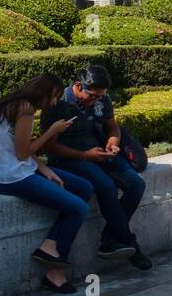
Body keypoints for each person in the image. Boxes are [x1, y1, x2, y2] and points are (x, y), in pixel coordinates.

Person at [0, 75, 94, 294]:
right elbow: (23, 152)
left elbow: (17, 148)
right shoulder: (25, 109)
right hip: (11, 178)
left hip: (18, 169)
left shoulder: (13, 104)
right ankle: (54, 270)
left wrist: (44, 169)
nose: (53, 103)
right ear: (43, 94)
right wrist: (52, 132)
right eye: (53, 97)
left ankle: (51, 244)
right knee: (80, 208)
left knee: (84, 187)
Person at [41, 65, 152, 270]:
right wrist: (84, 155)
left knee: (136, 184)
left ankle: (112, 238)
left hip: (98, 153)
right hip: (70, 158)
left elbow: (112, 126)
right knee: (105, 186)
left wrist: (113, 141)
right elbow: (49, 145)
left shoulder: (102, 99)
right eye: (91, 96)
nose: (95, 100)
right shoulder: (59, 104)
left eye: (100, 96)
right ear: (78, 86)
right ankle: (130, 243)